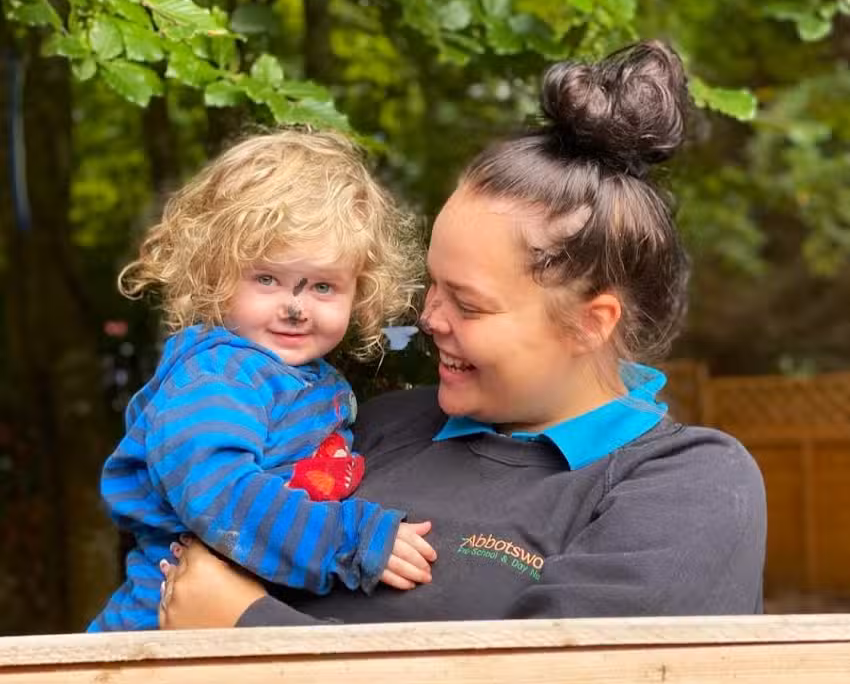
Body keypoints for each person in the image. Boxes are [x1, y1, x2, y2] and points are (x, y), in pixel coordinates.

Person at [158, 40, 767, 630]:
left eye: (469, 306)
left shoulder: (686, 486)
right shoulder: (380, 426)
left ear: (591, 322)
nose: (430, 318)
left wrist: (246, 625)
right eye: (434, 287)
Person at [88, 130, 437, 632]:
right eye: (267, 279)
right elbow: (221, 494)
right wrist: (351, 540)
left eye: (323, 286)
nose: (294, 308)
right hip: (158, 633)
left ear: (359, 292)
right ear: (215, 274)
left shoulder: (308, 380)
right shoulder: (217, 377)